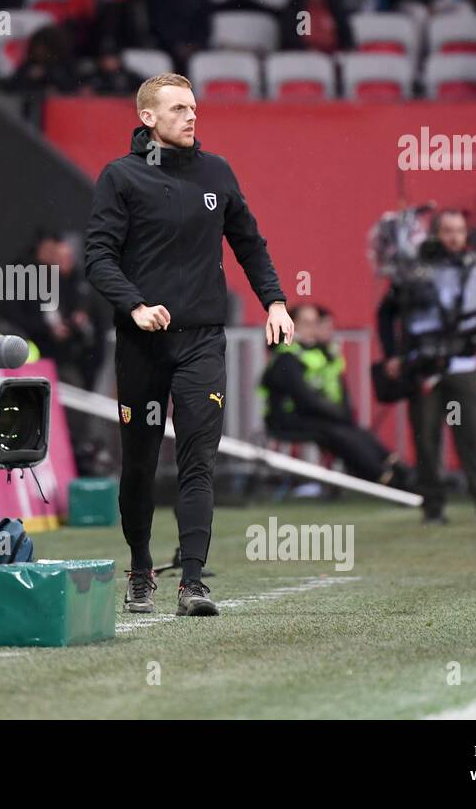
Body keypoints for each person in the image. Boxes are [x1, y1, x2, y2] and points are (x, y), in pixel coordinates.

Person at [84, 72, 292, 616]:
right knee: (140, 461)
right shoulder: (121, 177)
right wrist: (134, 305)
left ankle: (193, 582)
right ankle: (139, 568)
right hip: (141, 343)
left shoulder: (216, 172)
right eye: (178, 109)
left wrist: (275, 301)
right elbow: (98, 257)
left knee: (200, 457)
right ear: (147, 118)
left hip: (201, 340)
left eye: (194, 107)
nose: (192, 116)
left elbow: (250, 243)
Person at [377, 209, 476, 525]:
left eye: (460, 230)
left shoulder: (474, 270)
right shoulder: (415, 269)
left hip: (463, 364)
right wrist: (392, 354)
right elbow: (387, 312)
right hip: (424, 366)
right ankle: (433, 506)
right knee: (426, 438)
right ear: (435, 235)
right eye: (448, 230)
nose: (454, 237)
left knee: (473, 438)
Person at [259, 302, 413, 489]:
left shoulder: (321, 352)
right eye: (305, 323)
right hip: (287, 418)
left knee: (357, 432)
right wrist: (338, 414)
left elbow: (332, 389)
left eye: (315, 323)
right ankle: (385, 479)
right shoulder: (287, 355)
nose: (311, 329)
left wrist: (342, 413)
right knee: (339, 433)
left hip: (318, 415)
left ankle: (397, 469)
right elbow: (304, 399)